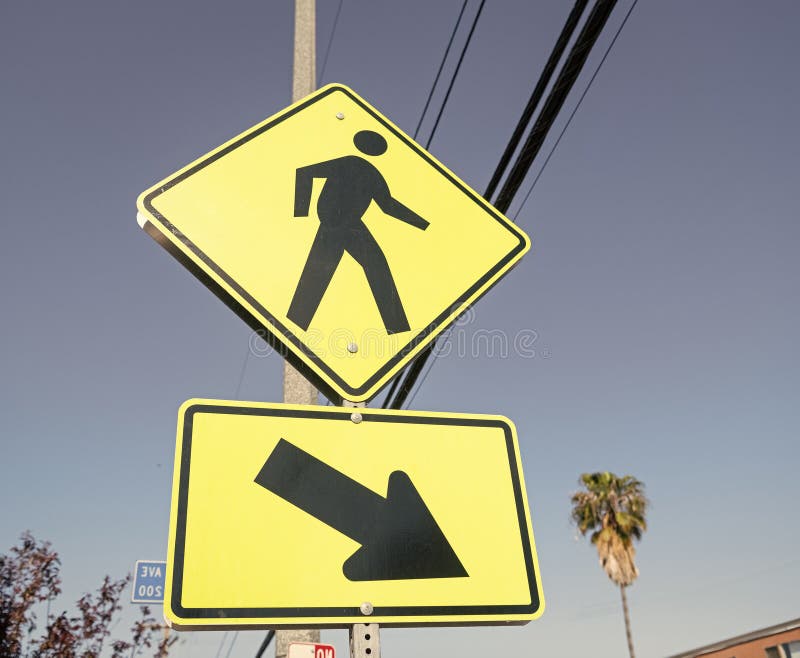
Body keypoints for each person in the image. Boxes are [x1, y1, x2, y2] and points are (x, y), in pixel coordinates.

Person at [288, 130, 429, 334]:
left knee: (375, 263)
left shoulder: (373, 174)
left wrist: (423, 224)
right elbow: (305, 172)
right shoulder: (349, 162)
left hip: (352, 226)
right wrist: (301, 212)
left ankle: (397, 329)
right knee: (318, 271)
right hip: (333, 224)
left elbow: (388, 206)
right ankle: (296, 324)